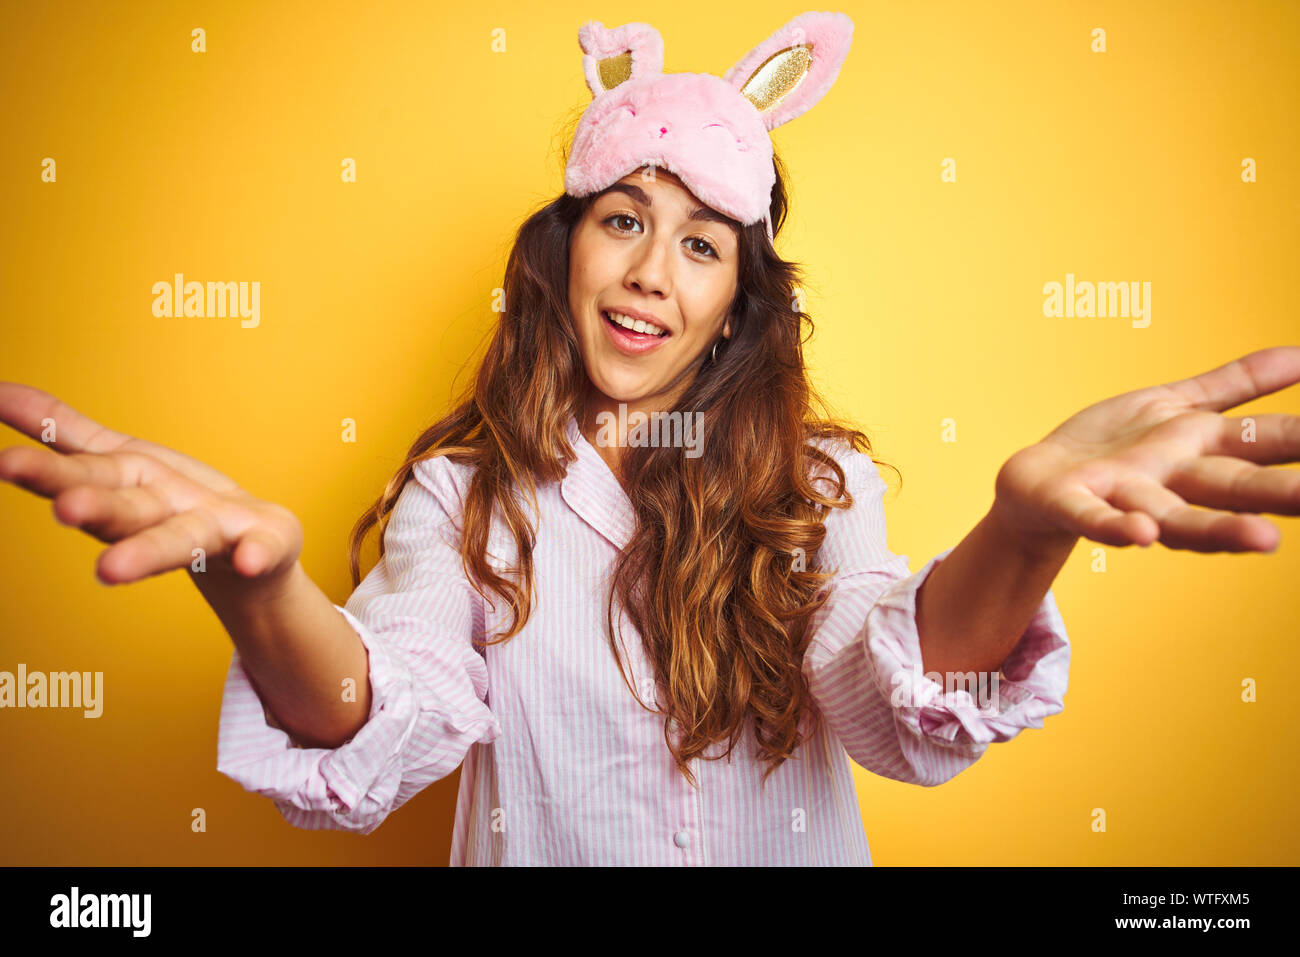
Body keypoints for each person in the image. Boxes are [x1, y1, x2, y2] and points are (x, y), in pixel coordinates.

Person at [1, 12, 1296, 866]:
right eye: (623, 219)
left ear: (742, 295)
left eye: (700, 242)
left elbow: (893, 701)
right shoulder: (463, 497)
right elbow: (379, 715)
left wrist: (1022, 531)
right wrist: (264, 590)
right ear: (566, 252)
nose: (651, 274)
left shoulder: (819, 486)